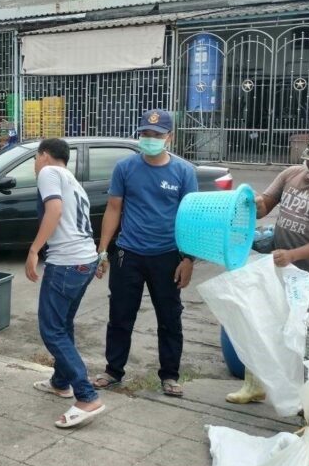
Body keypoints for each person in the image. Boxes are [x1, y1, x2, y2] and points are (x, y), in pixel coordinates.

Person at [227, 127, 309, 404]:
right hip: (279, 269)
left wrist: (294, 255)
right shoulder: (291, 174)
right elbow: (266, 205)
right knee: (260, 325)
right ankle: (255, 385)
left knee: (305, 338)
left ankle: (308, 400)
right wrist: (253, 202)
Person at [93, 109, 198, 398]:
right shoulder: (125, 168)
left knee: (169, 317)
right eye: (145, 134)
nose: (150, 139)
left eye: (156, 135)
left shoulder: (183, 172)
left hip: (167, 256)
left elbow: (191, 218)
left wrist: (188, 259)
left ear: (169, 137)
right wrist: (103, 250)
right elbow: (114, 208)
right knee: (120, 315)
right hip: (129, 253)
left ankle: (170, 375)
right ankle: (113, 370)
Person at [25, 138, 104, 428]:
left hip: (67, 262)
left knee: (51, 330)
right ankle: (61, 382)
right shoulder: (72, 179)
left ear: (44, 155)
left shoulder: (49, 173)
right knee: (64, 324)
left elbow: (54, 211)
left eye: (35, 157)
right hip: (84, 260)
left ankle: (86, 395)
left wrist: (34, 250)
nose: (35, 165)